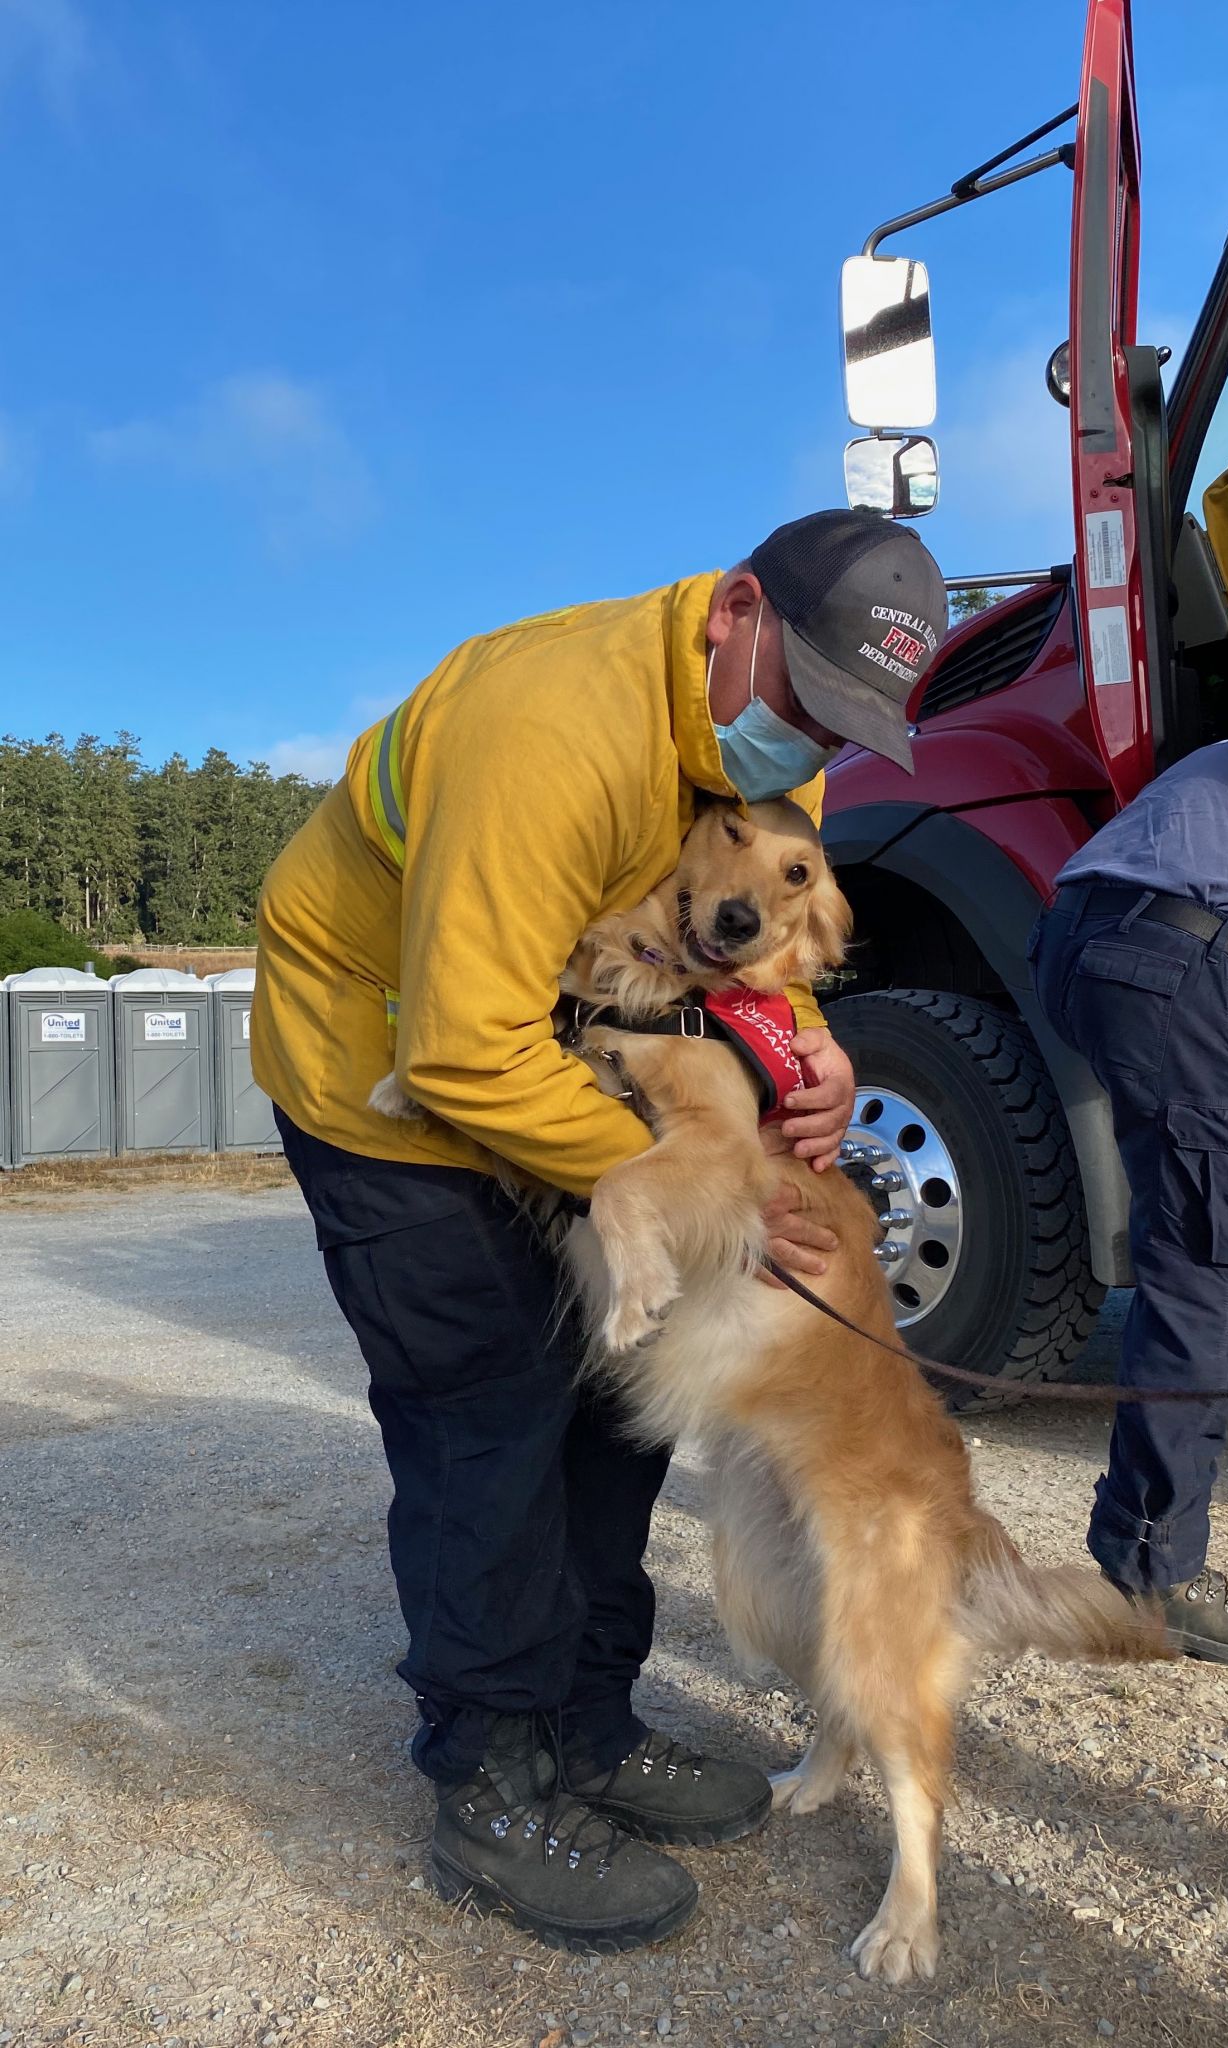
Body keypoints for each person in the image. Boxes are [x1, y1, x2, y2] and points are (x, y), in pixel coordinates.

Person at [251, 508, 947, 1949]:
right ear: (735, 611)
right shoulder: (551, 728)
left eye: (846, 728)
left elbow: (756, 934)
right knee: (490, 1409)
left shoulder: (763, 756)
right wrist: (715, 1191)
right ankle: (492, 1779)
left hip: (558, 1070)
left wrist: (811, 1057)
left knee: (613, 1414)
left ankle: (590, 1725)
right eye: (806, 702)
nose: (810, 749)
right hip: (387, 1075)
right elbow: (456, 1050)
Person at [1029, 736, 1228, 1667]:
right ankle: (1153, 1576)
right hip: (1173, 957)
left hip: (1089, 939)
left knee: (1211, 1225)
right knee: (1214, 1260)